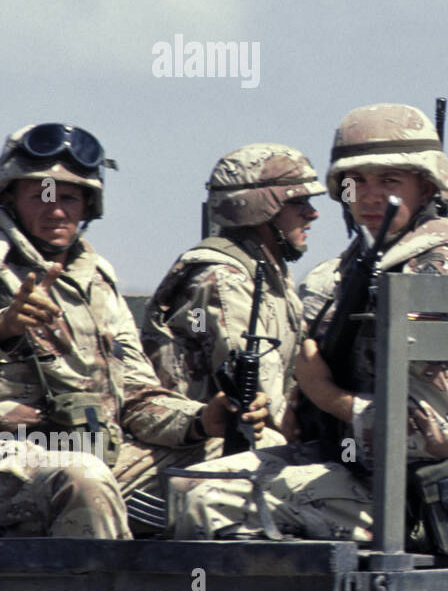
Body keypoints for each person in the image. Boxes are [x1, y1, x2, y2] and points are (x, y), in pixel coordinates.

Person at [170, 104, 448, 553]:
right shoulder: (371, 261)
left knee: (209, 502)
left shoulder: (438, 268)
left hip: (435, 502)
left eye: (389, 181)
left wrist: (326, 395)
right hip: (375, 476)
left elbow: (434, 435)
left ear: (426, 186)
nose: (369, 196)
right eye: (357, 181)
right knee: (188, 483)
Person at [0, 123, 265, 538]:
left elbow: (137, 396)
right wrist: (4, 327)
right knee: (84, 478)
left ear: (89, 205)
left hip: (96, 449)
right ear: (10, 199)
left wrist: (203, 419)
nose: (56, 210)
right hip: (17, 455)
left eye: (68, 196)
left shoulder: (97, 279)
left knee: (241, 462)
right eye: (41, 195)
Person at [142, 144, 326, 440]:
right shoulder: (226, 280)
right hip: (202, 440)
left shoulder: (264, 273)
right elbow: (262, 399)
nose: (313, 214)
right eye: (299, 202)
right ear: (260, 207)